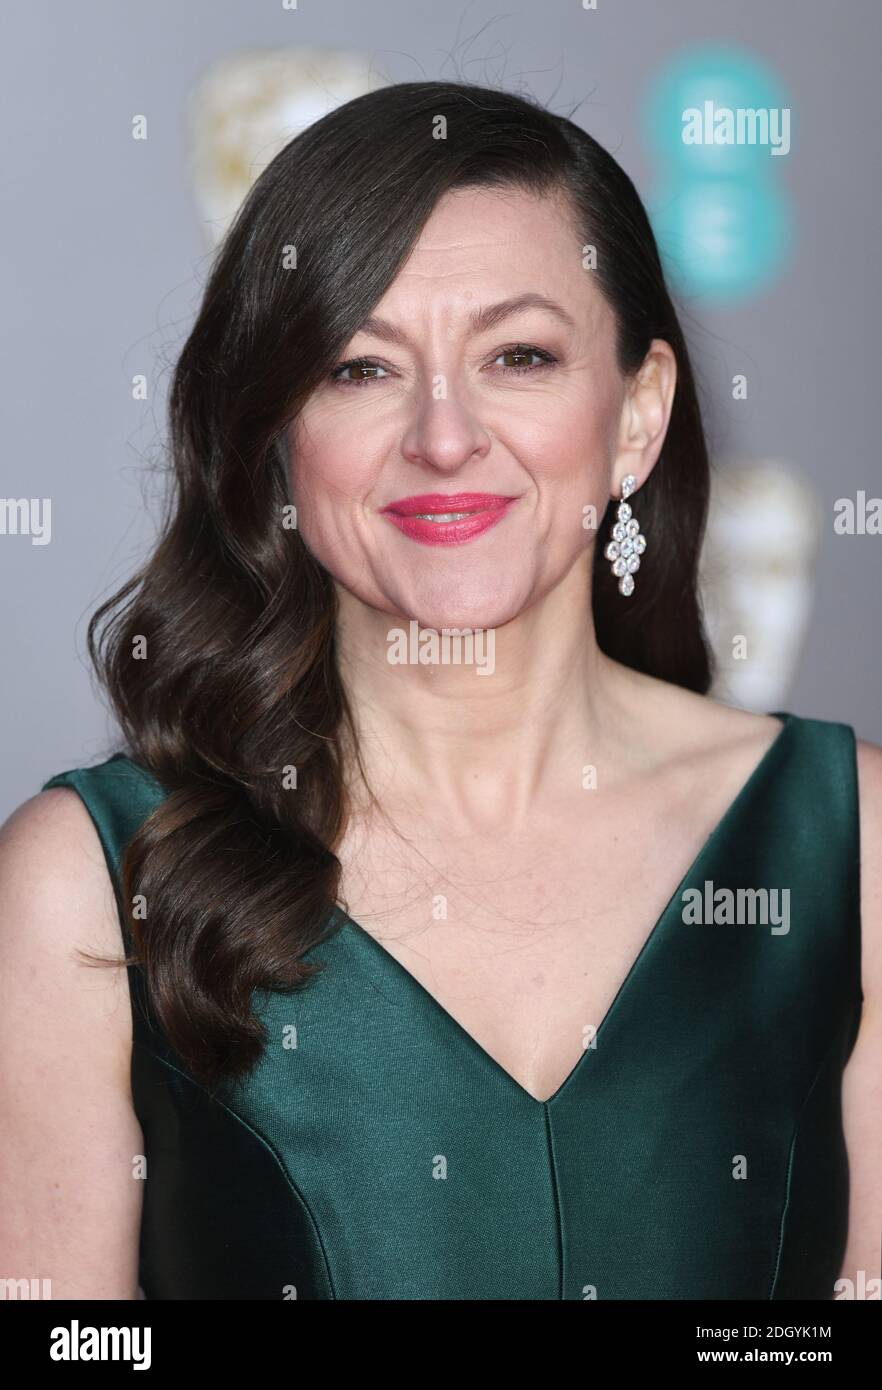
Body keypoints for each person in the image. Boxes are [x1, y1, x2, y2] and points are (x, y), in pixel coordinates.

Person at [1, 80, 879, 1301]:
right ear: (276, 444)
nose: (444, 434)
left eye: (518, 355)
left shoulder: (853, 843)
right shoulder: (89, 879)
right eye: (361, 368)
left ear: (637, 417)